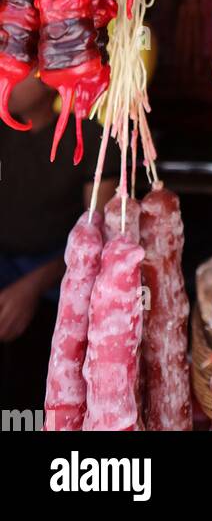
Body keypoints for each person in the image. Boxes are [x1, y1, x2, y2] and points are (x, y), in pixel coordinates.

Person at [0, 73, 117, 413]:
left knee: (40, 390)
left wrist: (33, 286)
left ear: (48, 78)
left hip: (61, 283)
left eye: (13, 72)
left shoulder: (91, 137)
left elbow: (99, 238)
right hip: (5, 273)